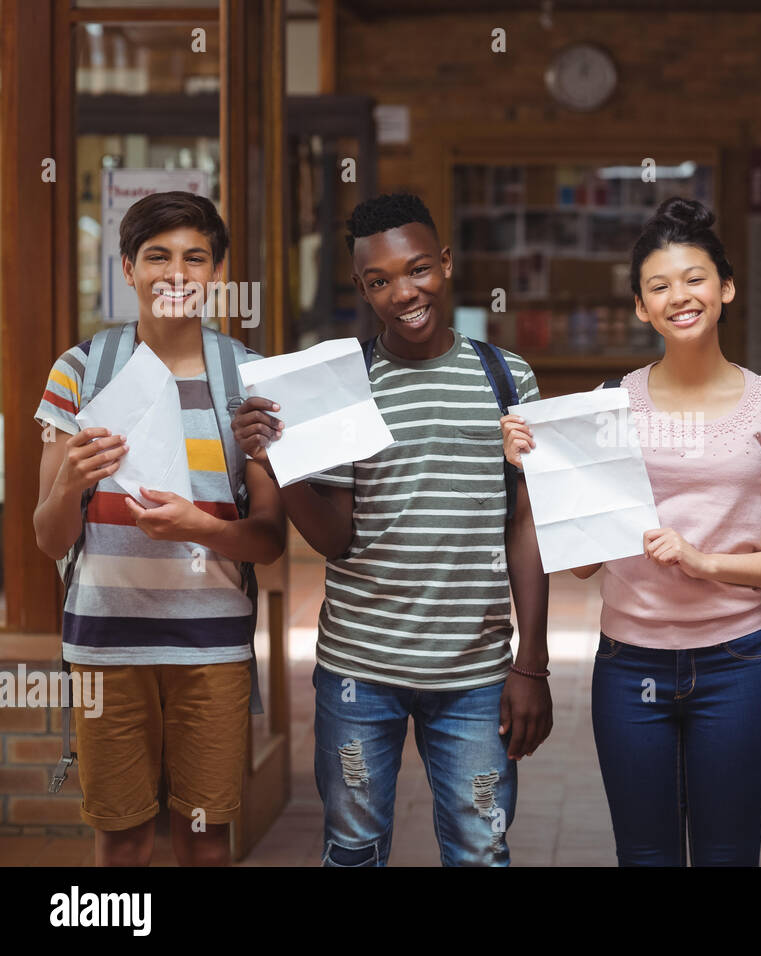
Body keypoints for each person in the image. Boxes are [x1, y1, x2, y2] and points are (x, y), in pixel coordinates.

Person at [232, 192, 550, 867]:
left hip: (475, 673)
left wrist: (533, 663)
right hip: (359, 672)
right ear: (361, 288)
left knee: (480, 850)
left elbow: (527, 527)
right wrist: (280, 463)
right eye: (380, 281)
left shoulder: (507, 380)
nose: (403, 292)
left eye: (417, 271)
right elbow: (336, 539)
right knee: (352, 849)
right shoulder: (343, 387)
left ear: (446, 263)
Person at [501, 198, 761, 866]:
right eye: (659, 286)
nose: (681, 296)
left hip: (738, 665)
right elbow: (584, 565)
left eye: (696, 278)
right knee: (644, 857)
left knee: (728, 855)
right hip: (629, 666)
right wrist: (536, 469)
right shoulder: (608, 408)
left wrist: (704, 563)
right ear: (642, 308)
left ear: (726, 288)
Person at [33, 191, 285, 866]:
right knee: (122, 838)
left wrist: (201, 527)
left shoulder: (249, 379)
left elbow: (269, 539)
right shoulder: (80, 372)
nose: (177, 273)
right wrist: (70, 482)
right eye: (158, 256)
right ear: (128, 269)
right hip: (105, 644)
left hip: (211, 648)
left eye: (195, 257)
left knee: (205, 841)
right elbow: (48, 538)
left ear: (219, 274)